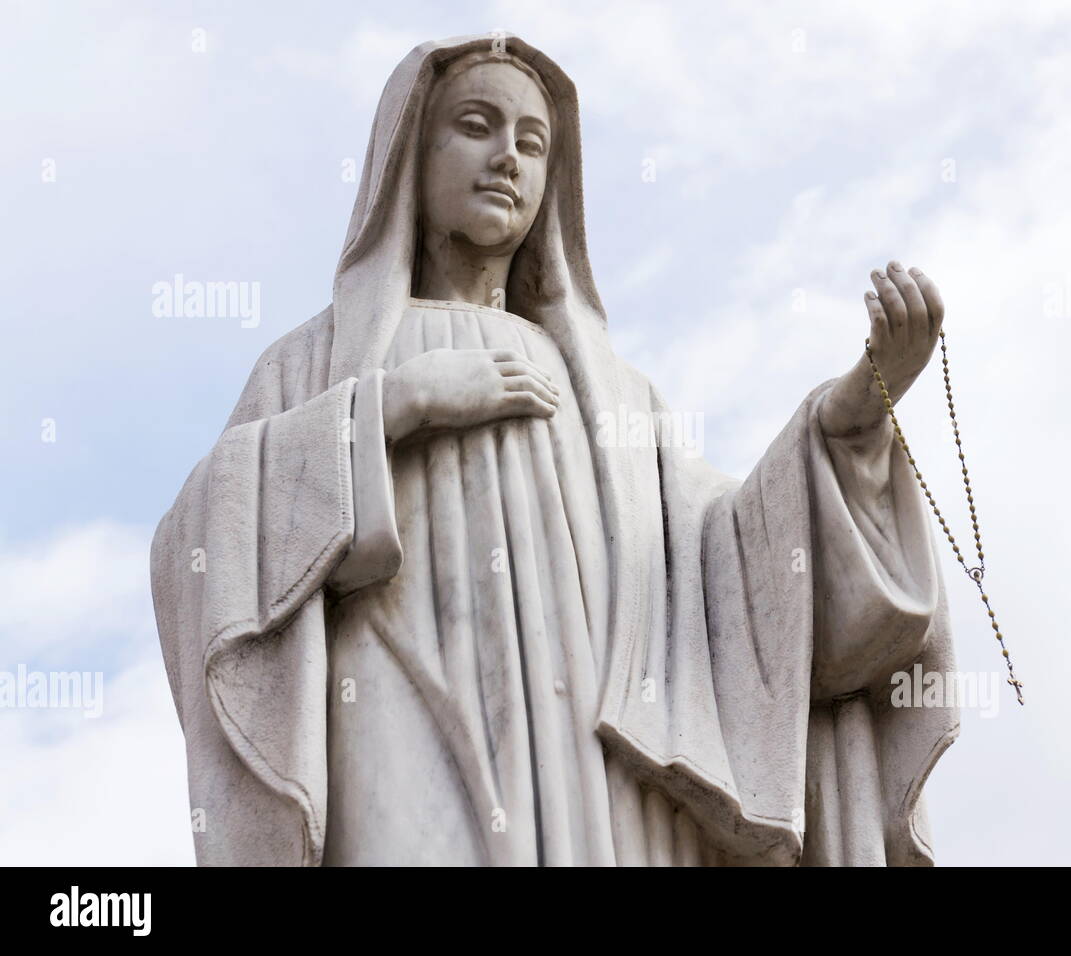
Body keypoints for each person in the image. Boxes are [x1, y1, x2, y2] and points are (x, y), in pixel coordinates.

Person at [151, 33, 959, 866]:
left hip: (587, 774)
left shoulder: (611, 394)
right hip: (396, 728)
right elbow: (203, 541)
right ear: (409, 155)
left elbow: (721, 567)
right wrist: (395, 404)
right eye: (476, 125)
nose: (507, 158)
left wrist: (848, 419)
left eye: (532, 144)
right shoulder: (318, 363)